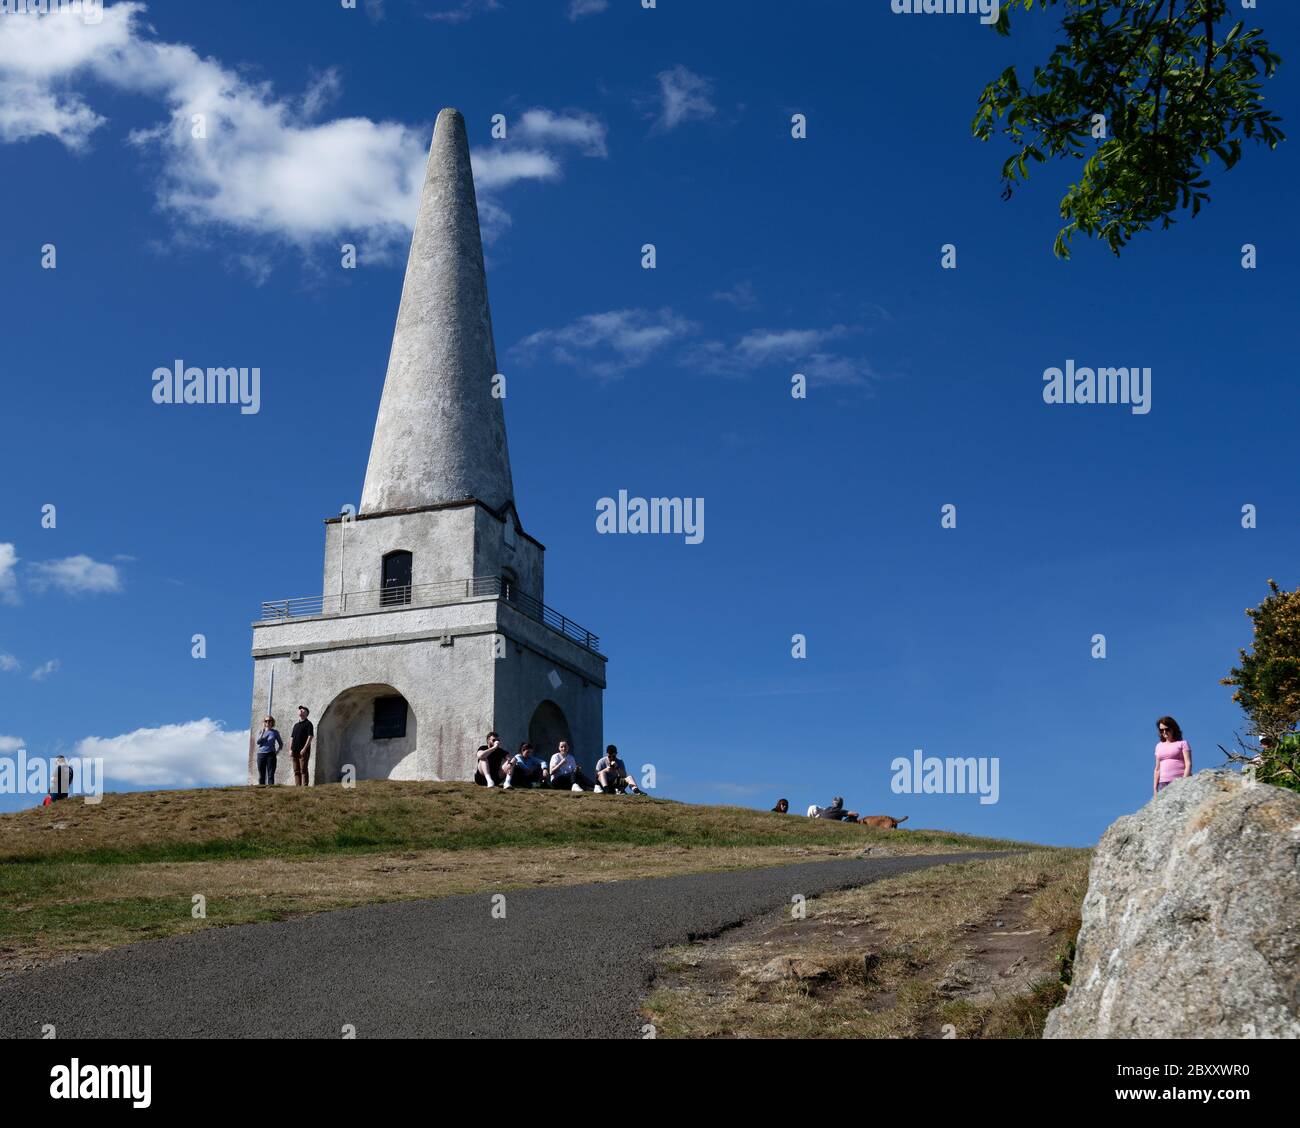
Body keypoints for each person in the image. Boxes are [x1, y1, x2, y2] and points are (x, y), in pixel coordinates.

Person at [1153, 715, 1192, 797]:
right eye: (1161, 730)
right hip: (1163, 784)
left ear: (1173, 728)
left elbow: (1188, 763)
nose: (1164, 732)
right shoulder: (1158, 746)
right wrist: (1155, 789)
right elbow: (1157, 769)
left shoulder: (1182, 743)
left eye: (1166, 729)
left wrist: (1184, 781)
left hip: (1179, 781)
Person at [290, 705, 314, 787]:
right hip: (294, 751)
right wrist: (290, 749)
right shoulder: (296, 725)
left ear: (306, 713)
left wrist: (304, 749)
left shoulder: (308, 724)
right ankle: (298, 787)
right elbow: (292, 738)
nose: (301, 711)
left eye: (303, 710)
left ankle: (304, 787)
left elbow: (310, 737)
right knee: (296, 770)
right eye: (300, 710)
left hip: (303, 751)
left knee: (303, 769)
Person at [255, 716, 282, 786]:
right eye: (266, 721)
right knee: (261, 774)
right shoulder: (260, 731)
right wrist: (263, 732)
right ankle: (261, 790)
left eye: (269, 721)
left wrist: (277, 752)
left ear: (272, 722)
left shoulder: (275, 732)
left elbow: (280, 744)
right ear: (264, 722)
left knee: (271, 774)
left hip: (271, 754)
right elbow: (258, 742)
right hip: (261, 754)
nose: (268, 722)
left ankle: (271, 790)